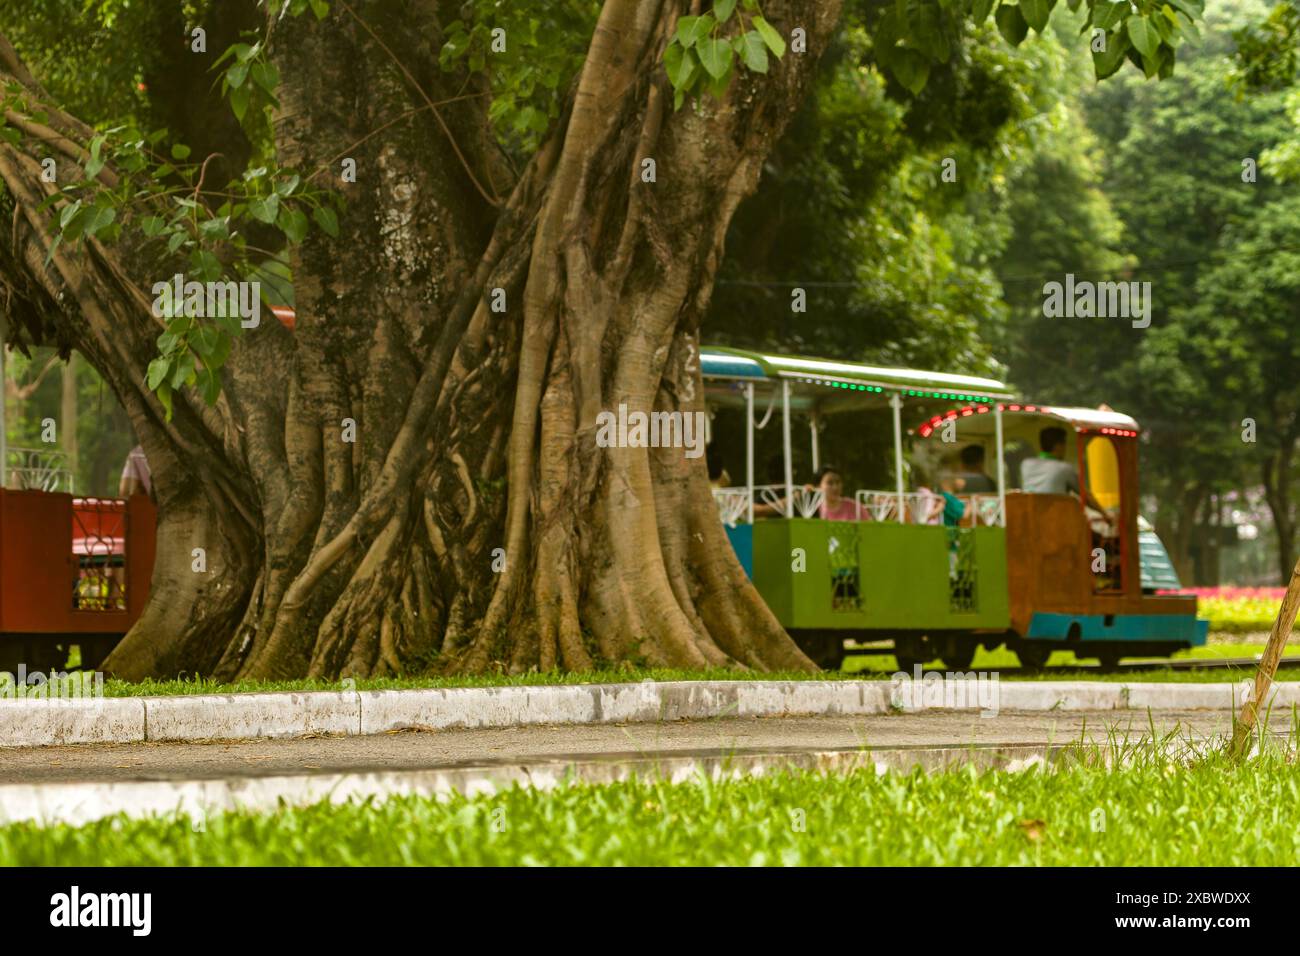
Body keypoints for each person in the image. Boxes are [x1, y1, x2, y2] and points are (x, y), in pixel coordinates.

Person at [1021, 426, 1113, 527]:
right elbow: (1086, 497)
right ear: (1058, 446)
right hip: (1056, 524)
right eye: (1065, 444)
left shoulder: (1026, 464)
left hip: (1031, 522)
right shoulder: (1064, 468)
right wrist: (1105, 514)